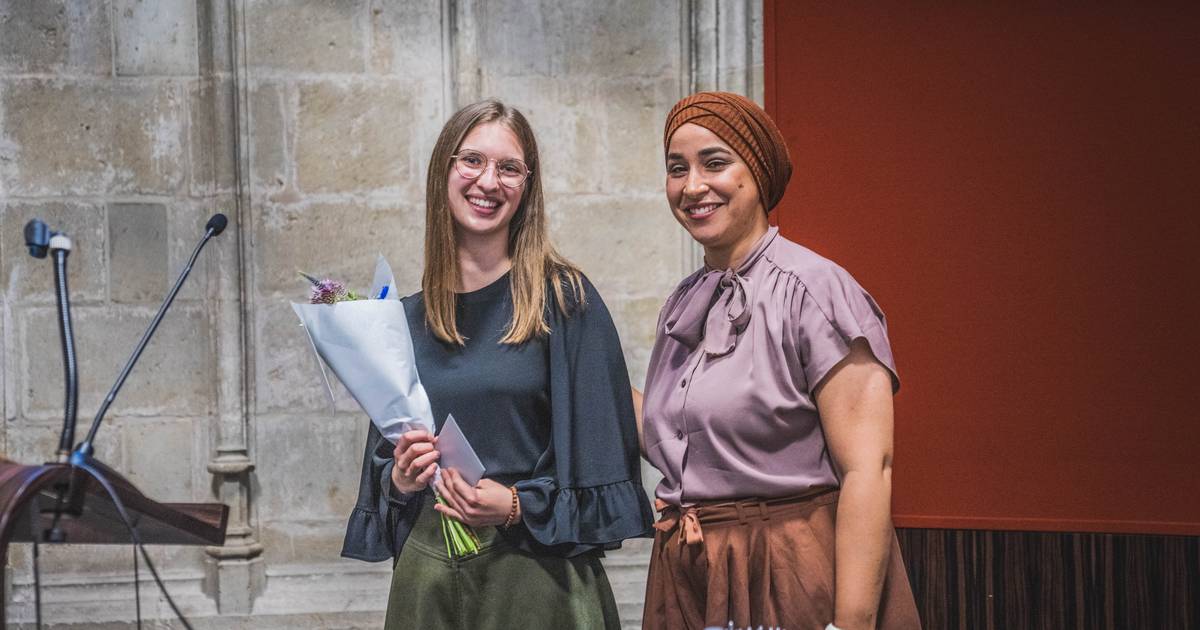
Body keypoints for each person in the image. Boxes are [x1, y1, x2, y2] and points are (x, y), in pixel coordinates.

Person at [342, 99, 654, 630]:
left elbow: (604, 463)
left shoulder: (565, 301)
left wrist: (514, 505)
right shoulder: (404, 320)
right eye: (472, 161)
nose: (489, 181)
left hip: (537, 578)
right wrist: (402, 477)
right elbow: (384, 473)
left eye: (509, 168)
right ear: (444, 170)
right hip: (430, 575)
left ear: (526, 186)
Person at [639, 92, 922, 630]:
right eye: (677, 169)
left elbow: (868, 470)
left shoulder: (816, 290)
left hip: (787, 572)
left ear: (758, 173)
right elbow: (681, 440)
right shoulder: (684, 302)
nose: (692, 185)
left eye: (714, 163)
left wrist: (850, 626)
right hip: (694, 572)